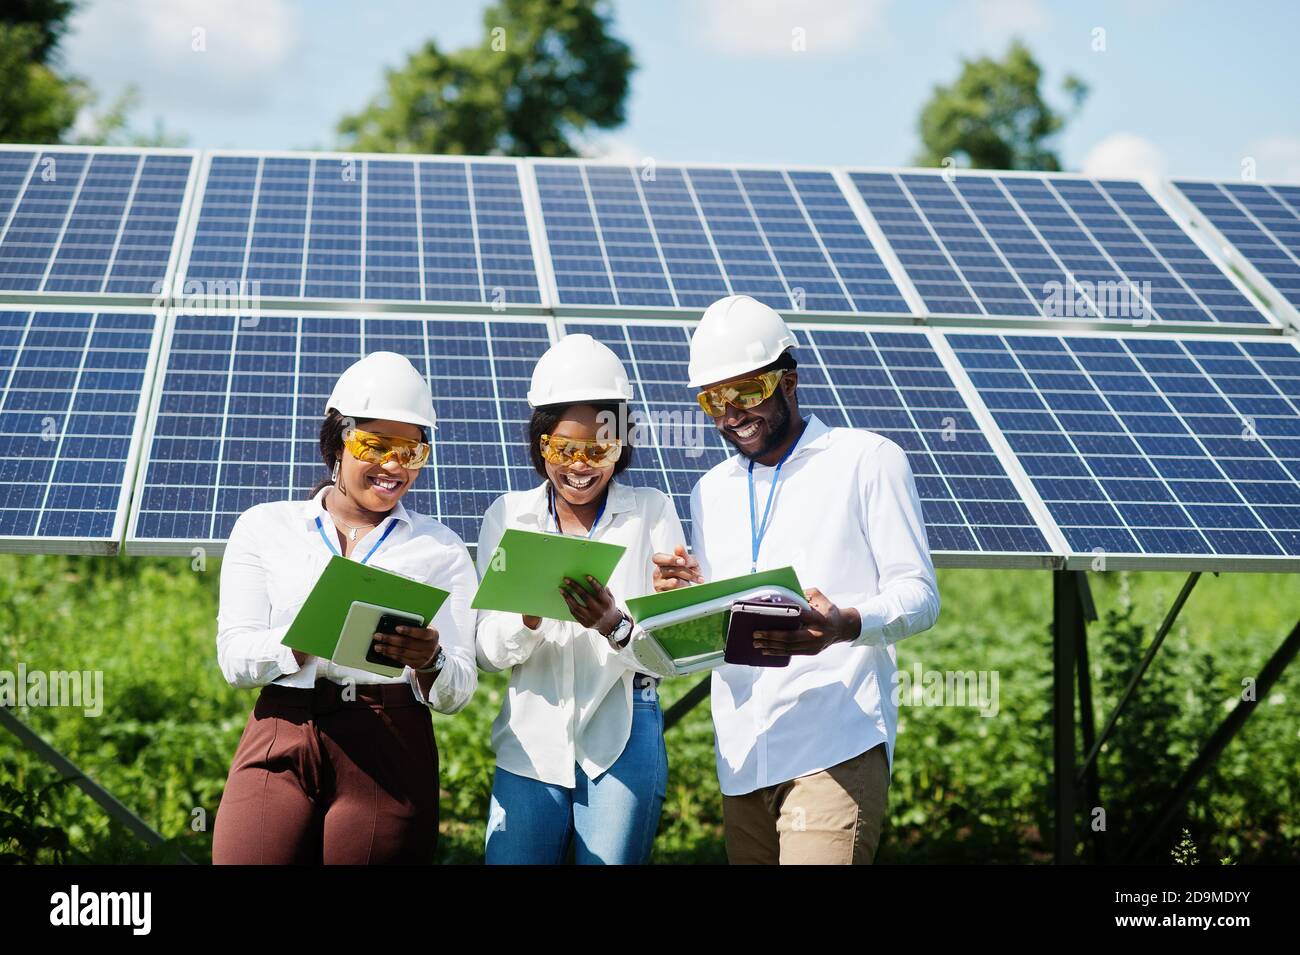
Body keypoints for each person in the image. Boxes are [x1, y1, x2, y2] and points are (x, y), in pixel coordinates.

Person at [653, 295, 940, 865]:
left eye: (746, 392)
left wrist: (846, 625)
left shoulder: (867, 460)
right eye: (713, 399)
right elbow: (725, 618)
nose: (730, 413)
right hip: (742, 756)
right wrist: (688, 598)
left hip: (833, 742)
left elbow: (921, 595)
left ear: (790, 380)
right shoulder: (709, 491)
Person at [212, 351, 478, 865]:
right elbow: (234, 658)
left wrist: (432, 661)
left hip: (390, 739)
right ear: (337, 443)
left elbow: (458, 690)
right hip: (281, 726)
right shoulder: (265, 527)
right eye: (374, 446)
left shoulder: (440, 549)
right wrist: (295, 642)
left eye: (411, 451)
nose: (393, 466)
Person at [475, 333, 686, 865]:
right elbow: (486, 655)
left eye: (600, 449)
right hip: (531, 738)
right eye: (563, 449)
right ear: (540, 442)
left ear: (622, 446)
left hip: (626, 729)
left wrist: (619, 623)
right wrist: (525, 616)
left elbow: (672, 655)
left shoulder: (651, 512)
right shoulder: (508, 516)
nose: (580, 465)